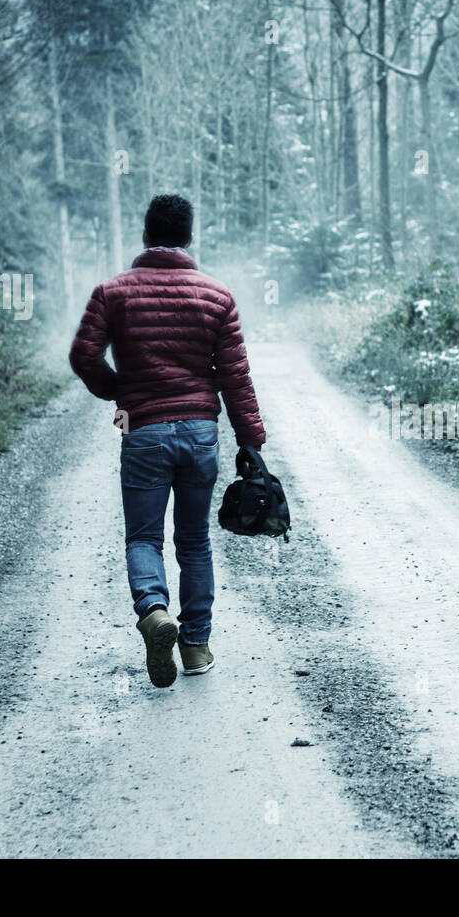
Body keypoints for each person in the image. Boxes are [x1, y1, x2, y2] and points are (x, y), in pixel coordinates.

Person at [69, 194, 266, 688]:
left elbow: (84, 355)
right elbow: (236, 376)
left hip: (142, 429)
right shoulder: (217, 296)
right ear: (189, 237)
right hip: (200, 431)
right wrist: (251, 440)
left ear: (145, 235)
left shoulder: (112, 293)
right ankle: (196, 646)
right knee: (194, 540)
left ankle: (155, 613)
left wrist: (120, 391)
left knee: (143, 537)